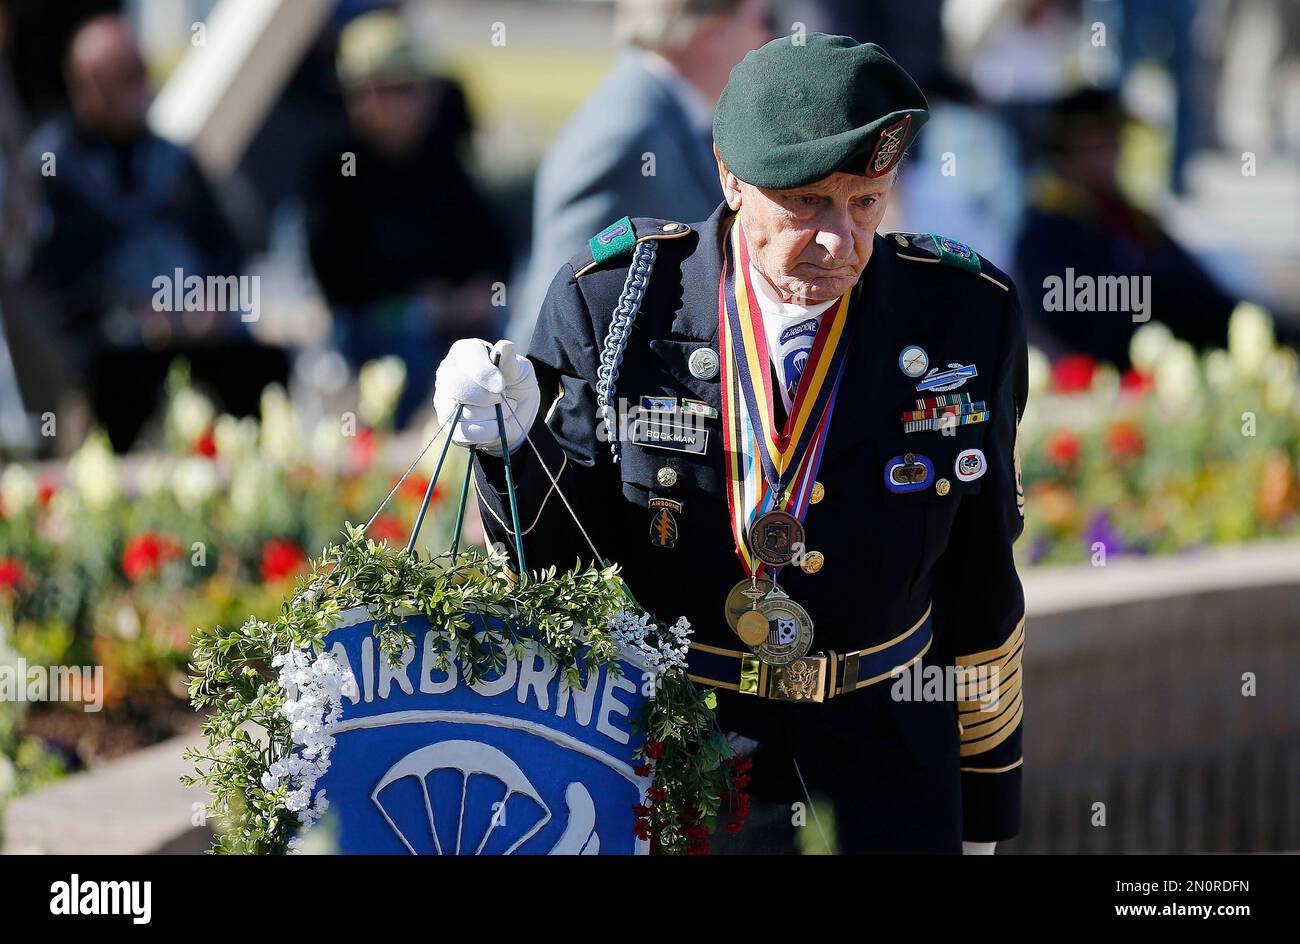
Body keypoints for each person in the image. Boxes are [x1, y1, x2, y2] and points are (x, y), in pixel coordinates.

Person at [435, 35, 1028, 854]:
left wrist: (987, 811)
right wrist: (505, 450)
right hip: (681, 764)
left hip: (890, 776)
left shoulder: (965, 314)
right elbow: (562, 568)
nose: (839, 242)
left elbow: (982, 581)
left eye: (867, 203)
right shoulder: (618, 306)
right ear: (731, 178)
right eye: (809, 203)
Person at [26, 13, 285, 451]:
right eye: (122, 76)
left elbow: (228, 244)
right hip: (112, 347)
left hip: (194, 333)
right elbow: (49, 282)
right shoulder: (52, 169)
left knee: (260, 367)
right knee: (112, 384)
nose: (138, 86)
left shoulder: (175, 159)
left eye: (139, 71)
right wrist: (131, 312)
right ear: (84, 86)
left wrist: (211, 303)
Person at [510, 0, 771, 344]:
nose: (768, 38)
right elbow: (560, 300)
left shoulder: (666, 113)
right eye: (763, 21)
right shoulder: (628, 135)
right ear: (712, 34)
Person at [305, 10, 509, 427]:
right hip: (370, 329)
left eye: (412, 88)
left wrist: (475, 292)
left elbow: (490, 245)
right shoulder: (336, 171)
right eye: (392, 89)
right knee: (416, 365)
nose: (409, 101)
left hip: (449, 322)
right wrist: (420, 304)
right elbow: (338, 279)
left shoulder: (444, 162)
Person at [1013, 87, 1238, 370]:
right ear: (1065, 156)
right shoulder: (1047, 229)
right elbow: (1076, 315)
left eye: (1115, 144)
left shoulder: (1127, 216)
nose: (1113, 157)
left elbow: (1199, 288)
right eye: (1098, 147)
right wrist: (1156, 288)